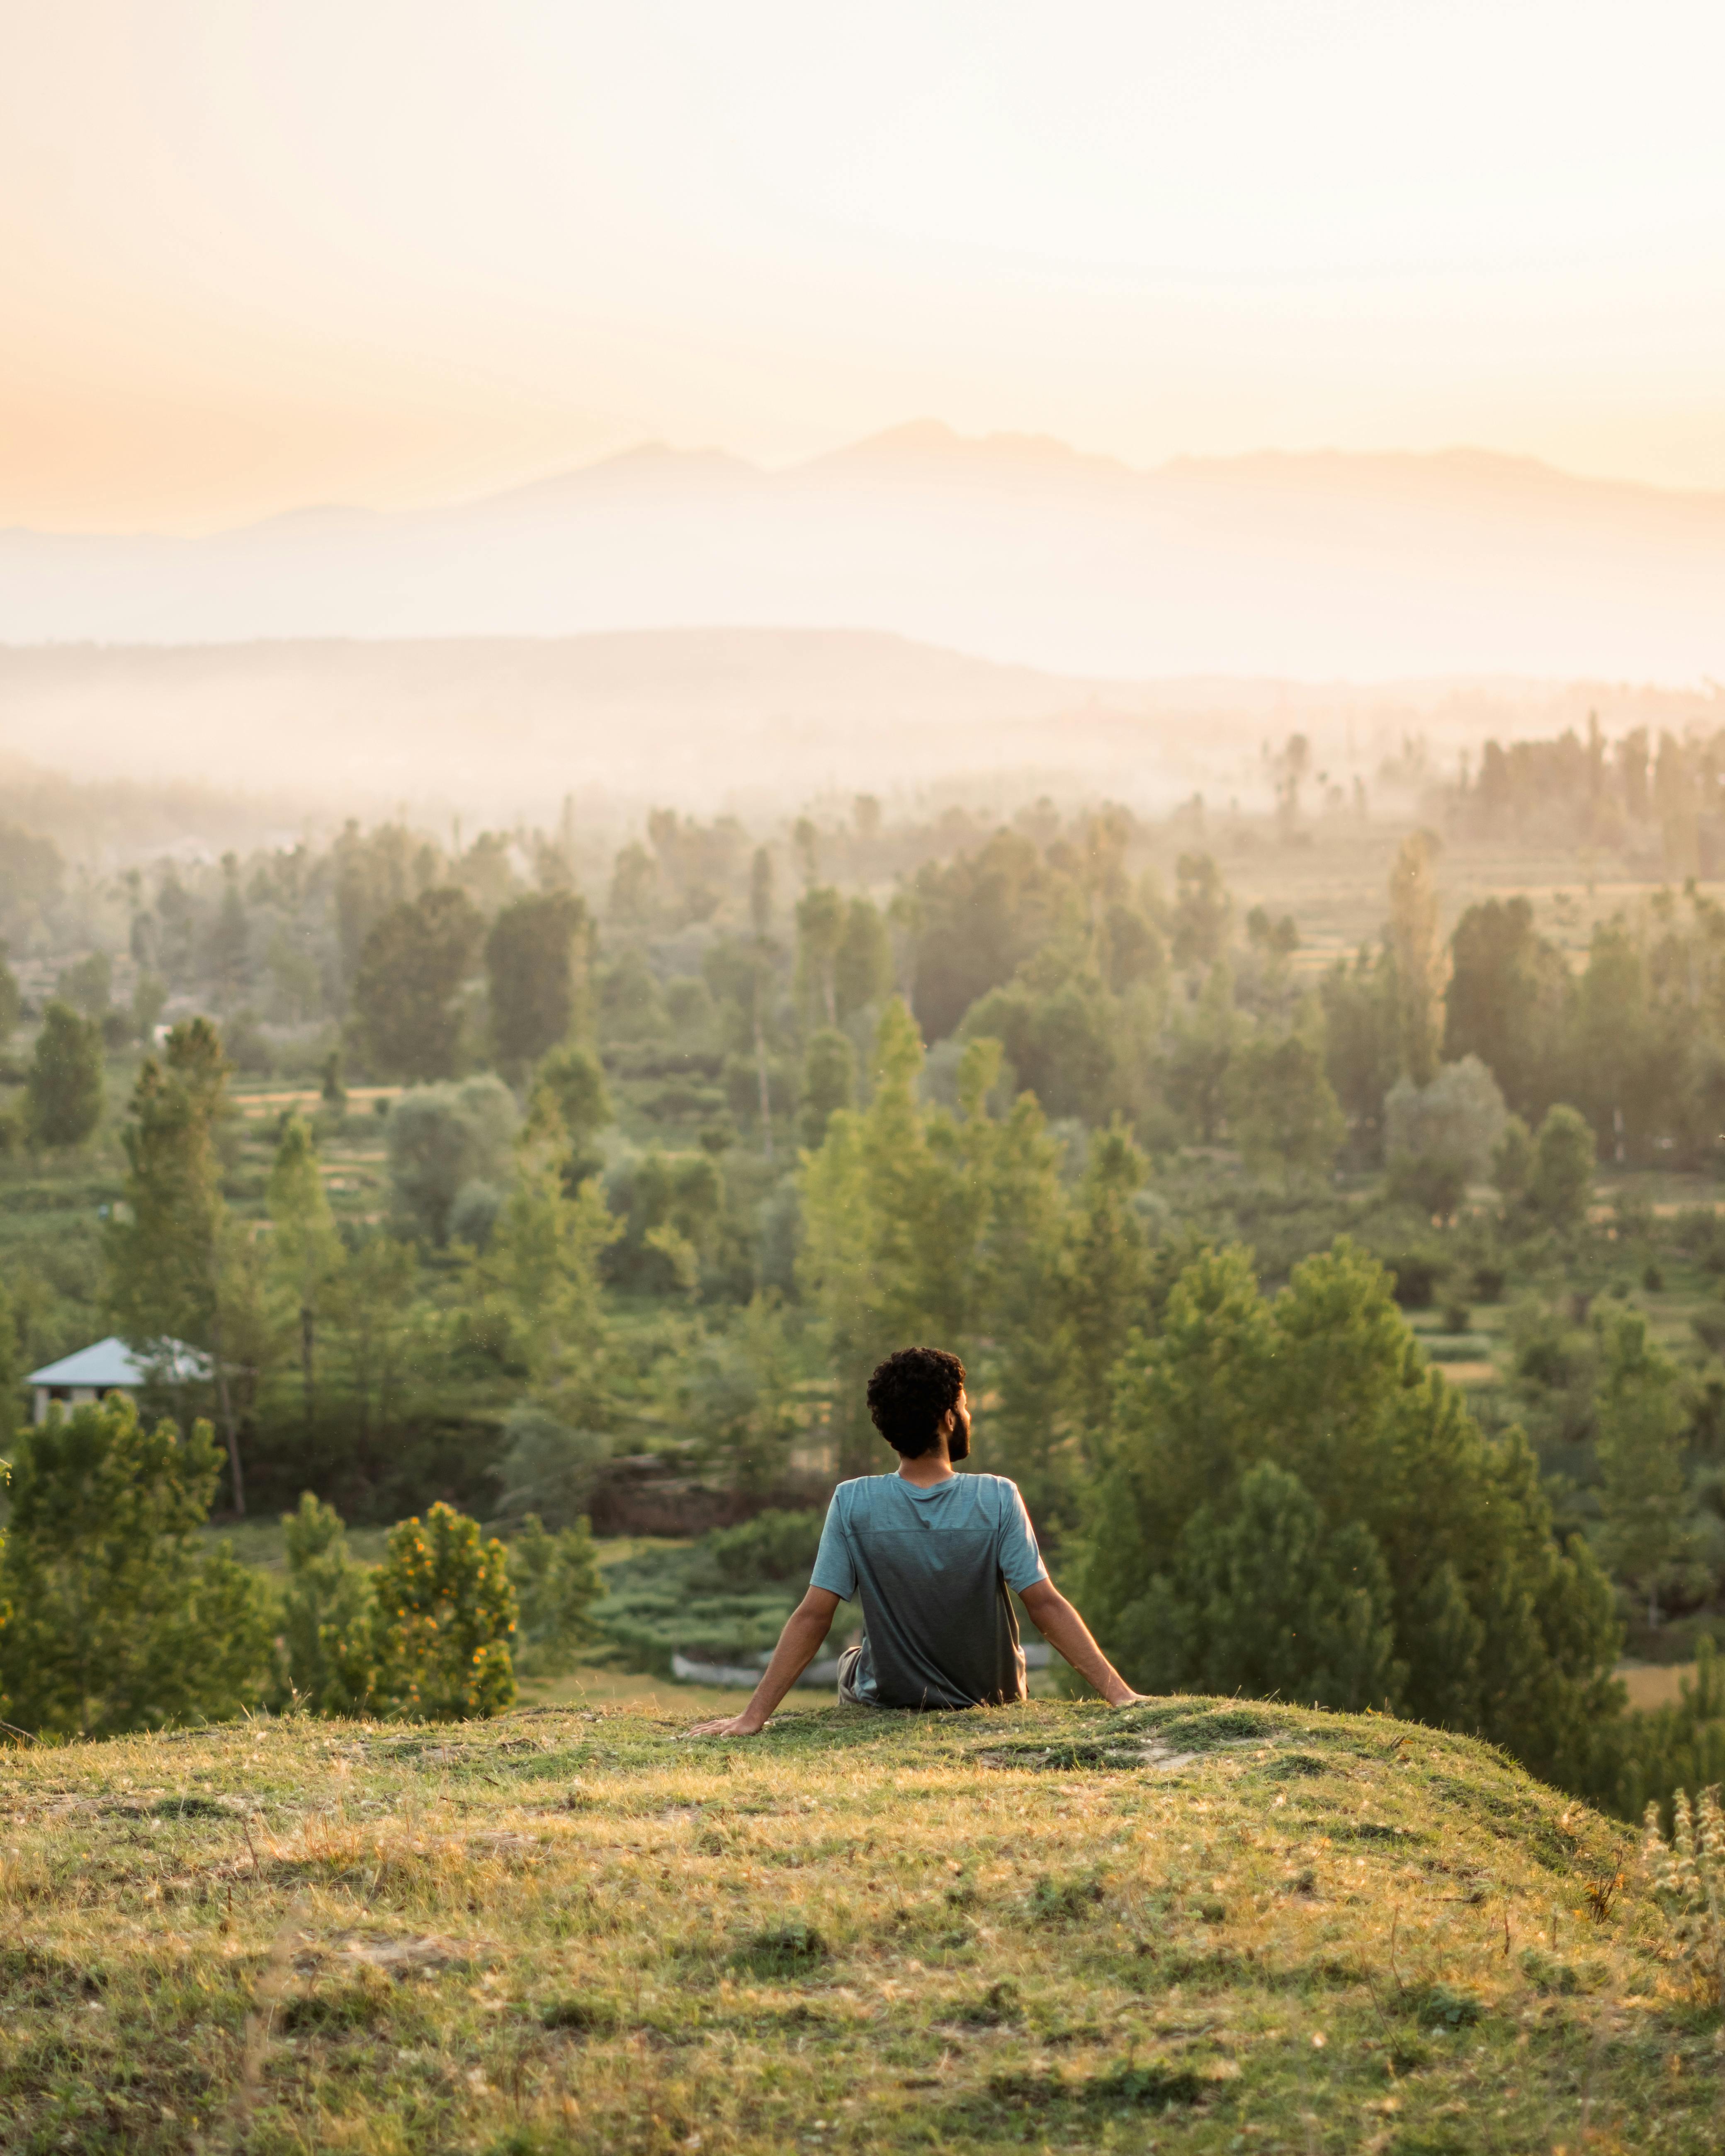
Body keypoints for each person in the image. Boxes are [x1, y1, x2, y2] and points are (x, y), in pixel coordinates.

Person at [687, 1345, 1141, 1735]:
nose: (967, 1414)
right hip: (993, 1697)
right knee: (855, 1653)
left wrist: (753, 1717)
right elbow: (1044, 1605)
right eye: (963, 1406)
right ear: (947, 1419)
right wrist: (1120, 1696)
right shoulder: (998, 1496)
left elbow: (813, 1616)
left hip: (892, 1697)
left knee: (852, 1659)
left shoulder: (852, 1501)